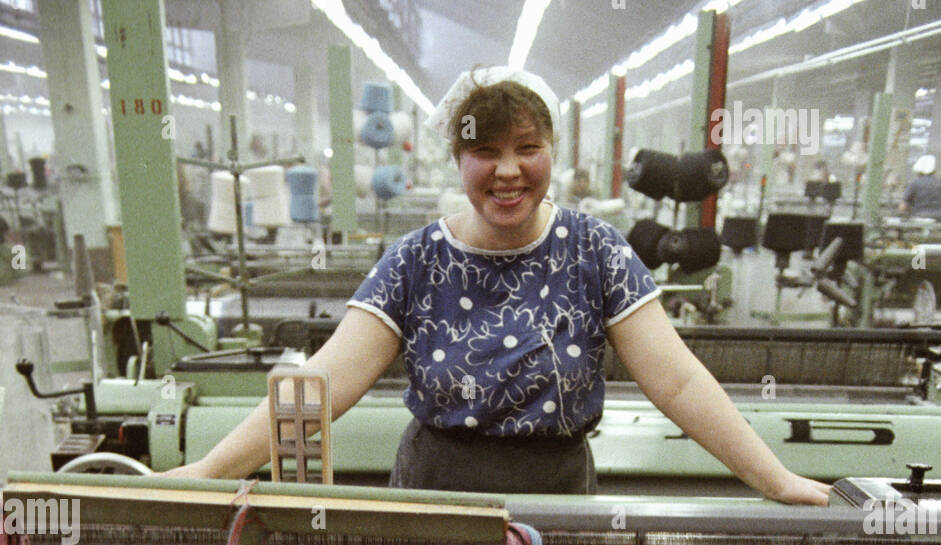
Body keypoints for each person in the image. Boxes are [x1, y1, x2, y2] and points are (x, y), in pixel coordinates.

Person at [175, 67, 828, 504]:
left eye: (527, 147)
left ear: (551, 150)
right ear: (457, 158)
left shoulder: (595, 251)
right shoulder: (416, 261)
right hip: (435, 496)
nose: (508, 170)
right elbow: (324, 383)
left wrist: (771, 478)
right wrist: (206, 473)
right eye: (484, 151)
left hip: (558, 499)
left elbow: (678, 380)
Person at [900, 154, 941, 219]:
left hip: (918, 218)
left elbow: (903, 205)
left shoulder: (914, 184)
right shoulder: (939, 183)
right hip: (938, 219)